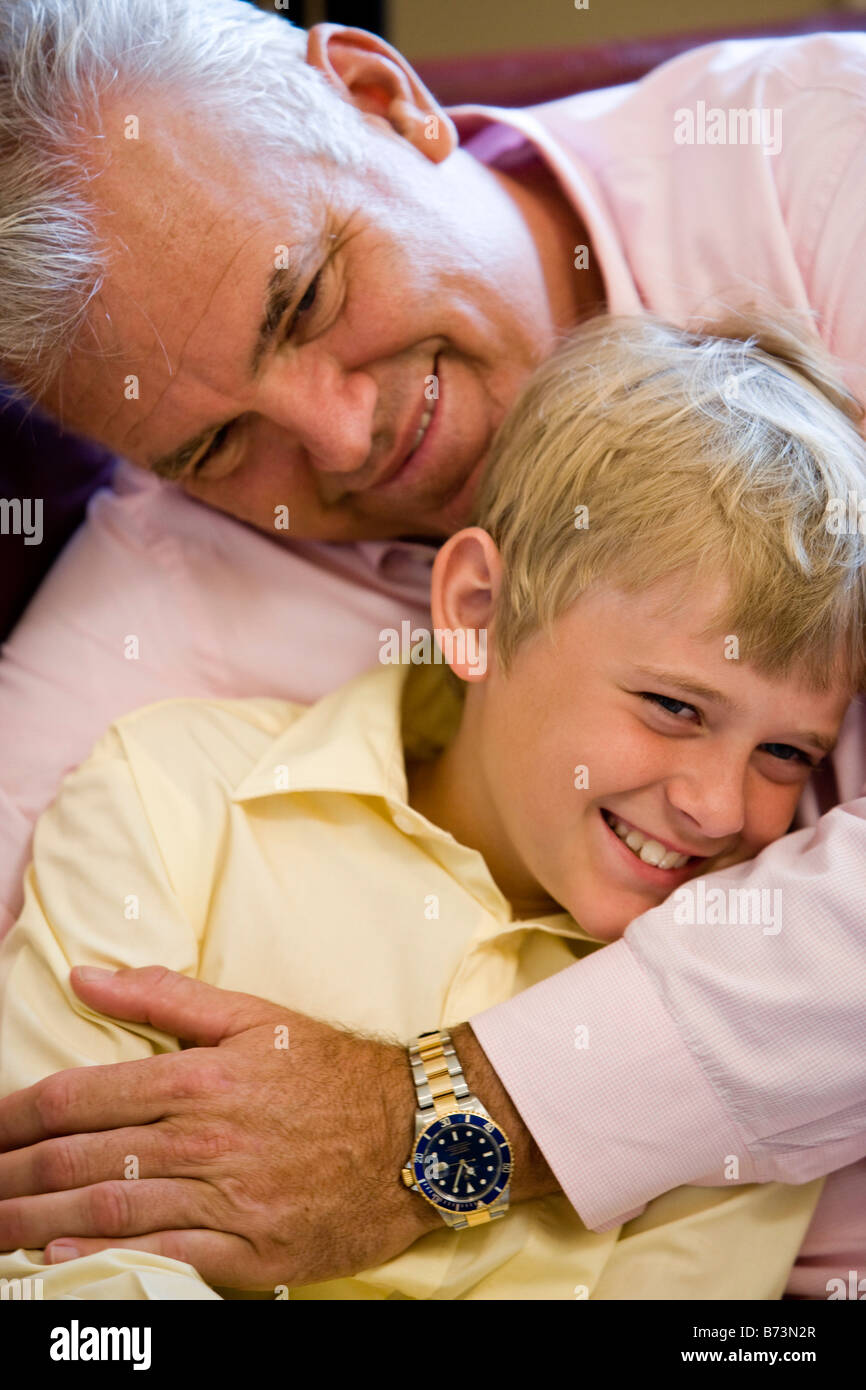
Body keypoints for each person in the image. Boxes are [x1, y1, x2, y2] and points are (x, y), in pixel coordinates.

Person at [0, 0, 865, 1295]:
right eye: (216, 448)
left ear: (381, 95)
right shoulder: (152, 626)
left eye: (305, 296)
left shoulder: (816, 161)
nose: (339, 438)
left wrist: (439, 1121)